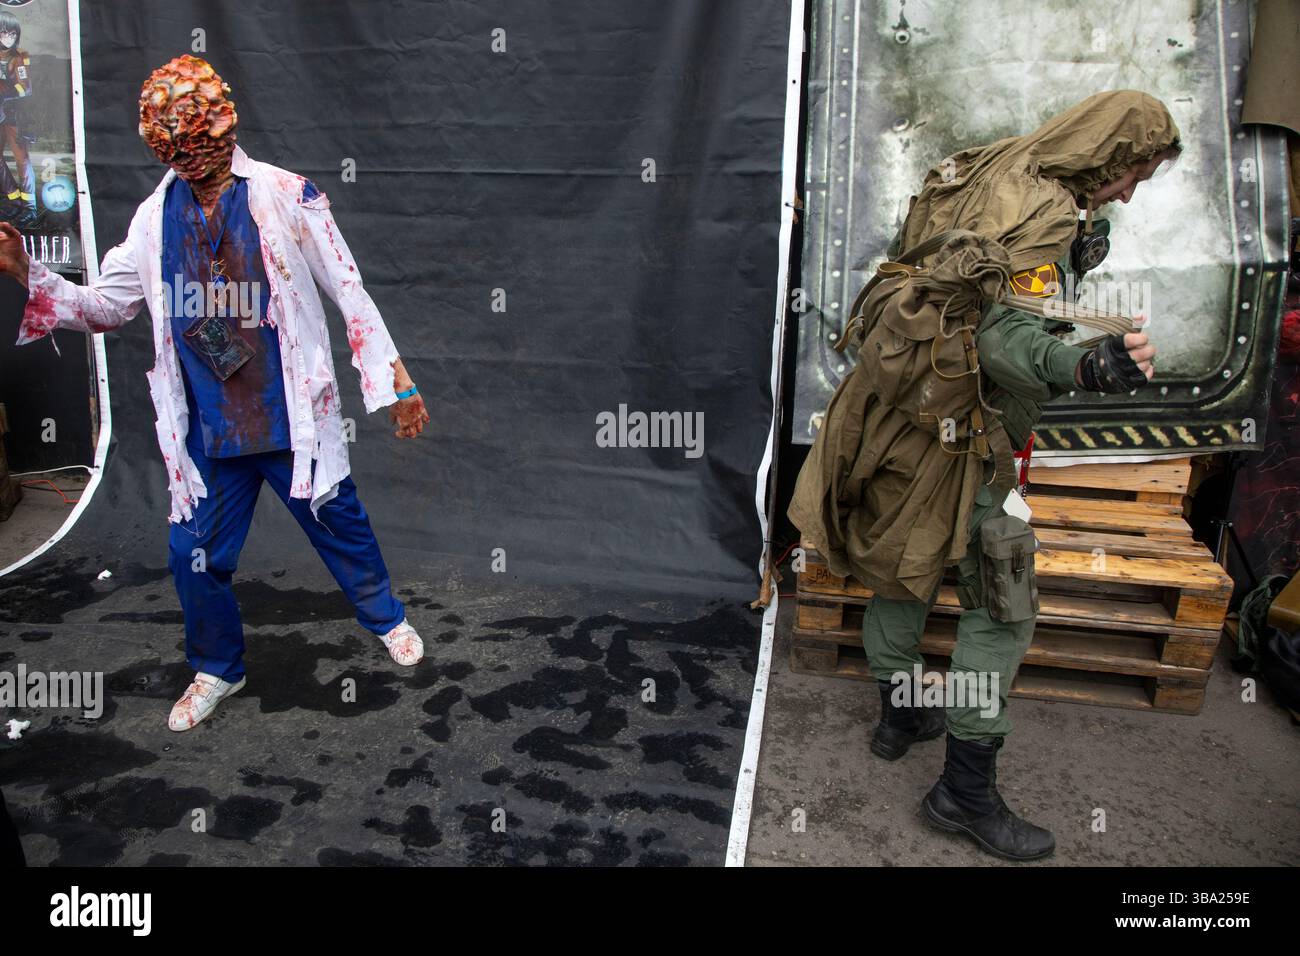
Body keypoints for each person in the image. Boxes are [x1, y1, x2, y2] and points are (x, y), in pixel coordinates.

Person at [790, 90, 1181, 861]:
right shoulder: (1044, 213)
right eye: (1134, 173)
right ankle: (964, 793)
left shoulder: (991, 166)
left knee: (901, 574)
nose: (1131, 192)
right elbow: (1001, 336)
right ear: (1110, 155)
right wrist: (1085, 363)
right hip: (966, 442)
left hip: (897, 427)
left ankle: (900, 714)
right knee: (1003, 603)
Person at [0, 55, 432, 732]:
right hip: (209, 430)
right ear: (157, 144)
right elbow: (107, 309)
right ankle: (216, 667)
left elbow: (348, 291)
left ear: (227, 123)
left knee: (341, 526)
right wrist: (33, 275)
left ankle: (387, 618)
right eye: (175, 145)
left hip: (289, 417)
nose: (193, 155)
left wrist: (396, 382)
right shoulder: (151, 221)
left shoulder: (288, 195)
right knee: (190, 554)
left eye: (203, 138)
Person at [0, 11, 38, 226]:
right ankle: (13, 199)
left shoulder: (20, 56)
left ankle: (30, 207)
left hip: (14, 114)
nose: (8, 37)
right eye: (4, 32)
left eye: (12, 33)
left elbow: (26, 87)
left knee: (21, 159)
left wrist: (5, 92)